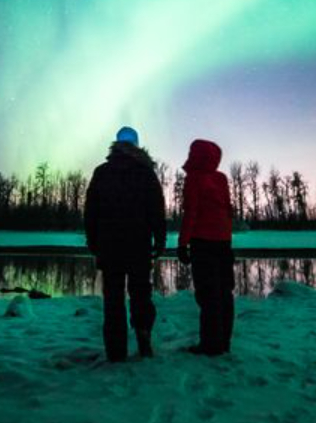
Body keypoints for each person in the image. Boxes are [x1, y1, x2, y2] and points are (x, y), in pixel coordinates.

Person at [84, 126, 167, 362]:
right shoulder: (146, 173)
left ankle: (115, 351)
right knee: (141, 295)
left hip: (110, 248)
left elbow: (91, 212)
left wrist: (93, 241)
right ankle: (143, 339)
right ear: (137, 145)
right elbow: (156, 210)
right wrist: (159, 240)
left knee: (113, 299)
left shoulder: (102, 172)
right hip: (138, 246)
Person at [177, 139, 234, 356]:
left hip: (203, 243)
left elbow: (191, 213)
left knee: (208, 295)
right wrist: (227, 239)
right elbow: (227, 211)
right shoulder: (221, 179)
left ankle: (210, 345)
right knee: (224, 293)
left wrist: (183, 243)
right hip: (223, 243)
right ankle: (223, 342)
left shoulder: (194, 178)